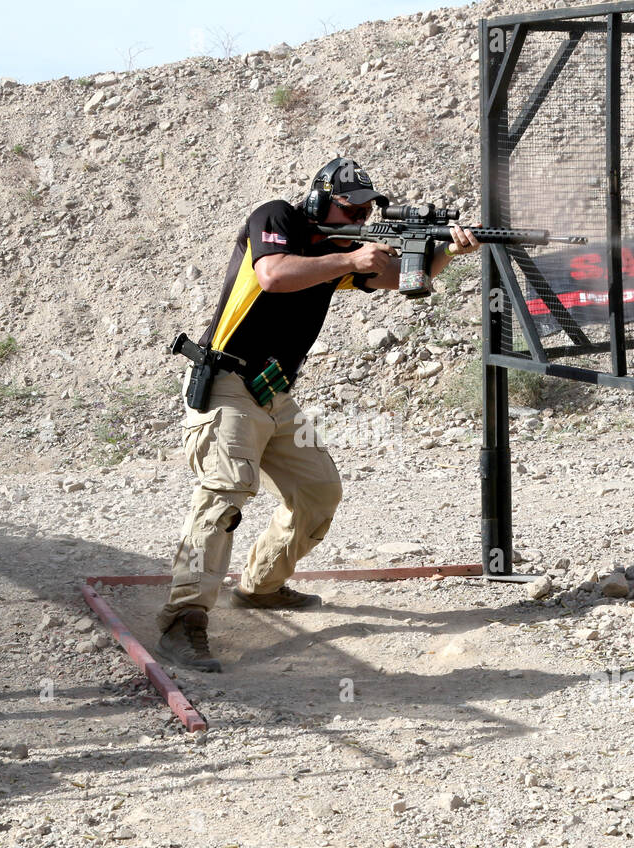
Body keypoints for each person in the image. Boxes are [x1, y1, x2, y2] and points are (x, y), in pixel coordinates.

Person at [155, 158, 481, 672]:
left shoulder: (336, 251)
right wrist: (350, 259)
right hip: (226, 384)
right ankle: (183, 618)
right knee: (222, 500)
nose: (356, 218)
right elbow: (274, 276)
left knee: (319, 492)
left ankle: (260, 587)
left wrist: (444, 252)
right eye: (347, 208)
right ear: (316, 200)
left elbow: (399, 279)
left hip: (274, 394)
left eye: (366, 210)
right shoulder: (278, 217)